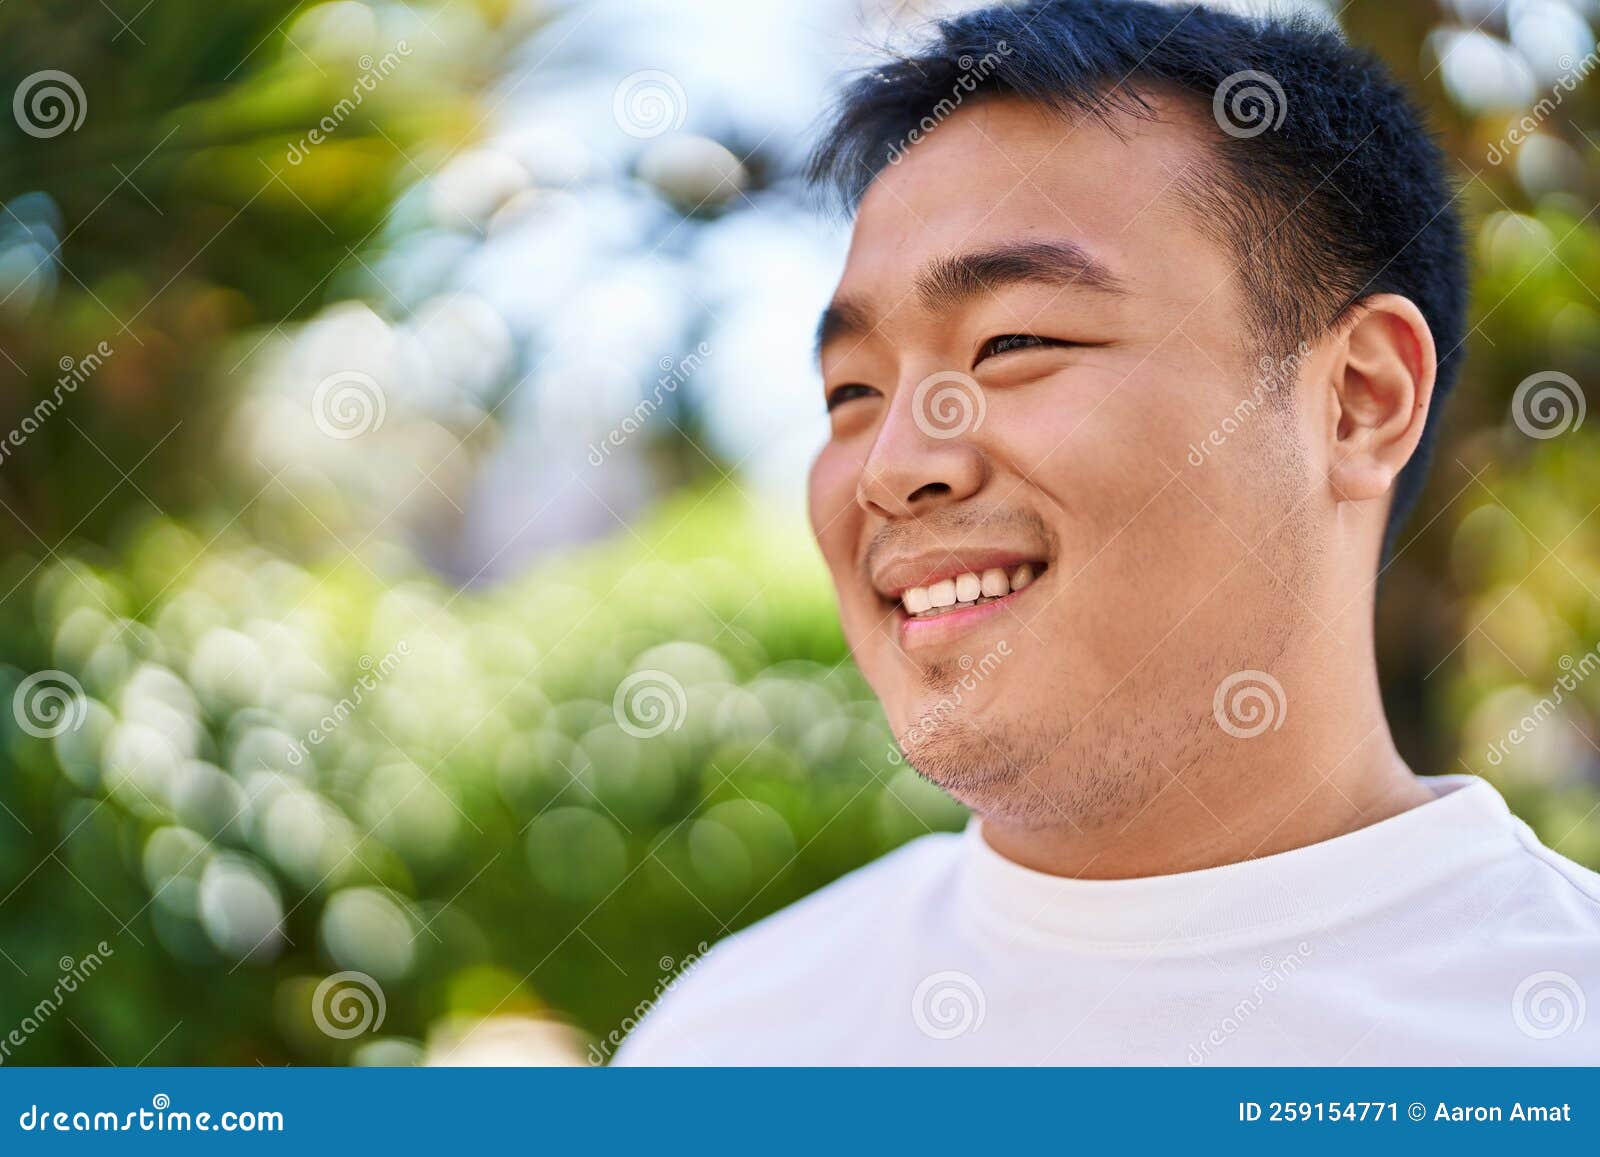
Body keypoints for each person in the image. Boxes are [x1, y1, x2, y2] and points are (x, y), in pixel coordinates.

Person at [616, 0, 1600, 1064]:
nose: (896, 465)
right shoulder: (727, 1043)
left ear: (1358, 399)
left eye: (1013, 340)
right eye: (851, 389)